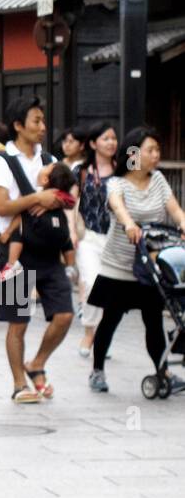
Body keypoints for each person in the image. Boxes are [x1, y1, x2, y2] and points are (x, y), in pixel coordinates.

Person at [87, 126, 185, 394]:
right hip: (119, 264)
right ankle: (97, 370)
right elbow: (117, 205)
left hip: (150, 265)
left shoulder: (159, 180)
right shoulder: (117, 183)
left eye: (157, 150)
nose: (156, 155)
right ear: (133, 154)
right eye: (150, 150)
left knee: (153, 320)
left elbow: (176, 210)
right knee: (111, 318)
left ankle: (162, 371)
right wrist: (129, 223)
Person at [0, 95, 69, 403]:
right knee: (18, 322)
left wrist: (54, 200)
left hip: (49, 249)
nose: (43, 126)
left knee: (64, 315)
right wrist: (38, 198)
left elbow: (65, 196)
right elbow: (1, 205)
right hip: (15, 252)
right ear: (18, 125)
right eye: (36, 120)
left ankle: (37, 363)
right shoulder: (1, 161)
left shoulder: (49, 159)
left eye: (43, 120)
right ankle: (19, 384)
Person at [74, 121, 118, 357]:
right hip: (89, 237)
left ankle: (101, 335)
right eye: (105, 138)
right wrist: (71, 231)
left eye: (114, 138)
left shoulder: (124, 168)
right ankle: (89, 332)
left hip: (116, 239)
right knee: (91, 283)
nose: (111, 142)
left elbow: (141, 174)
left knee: (110, 291)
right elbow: (71, 203)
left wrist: (139, 140)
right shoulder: (81, 171)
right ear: (93, 143)